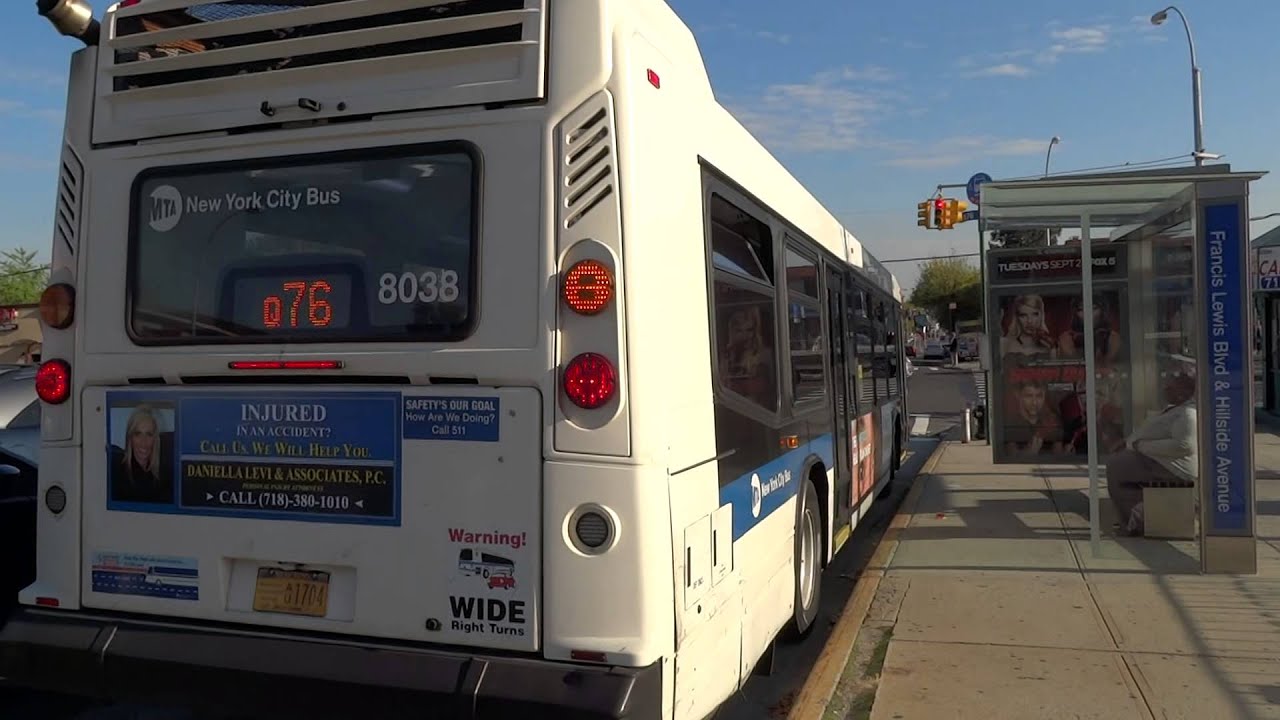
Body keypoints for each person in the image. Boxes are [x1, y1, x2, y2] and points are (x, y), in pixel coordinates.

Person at [1104, 372, 1197, 536]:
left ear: (1183, 391)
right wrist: (1127, 442)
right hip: (1157, 462)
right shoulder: (1175, 409)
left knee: (1118, 468)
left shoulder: (1188, 414)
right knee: (1118, 465)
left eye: (1170, 387)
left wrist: (1140, 446)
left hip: (1172, 469)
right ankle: (1133, 519)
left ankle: (1135, 523)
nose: (1165, 389)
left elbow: (1184, 446)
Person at [111, 405, 173, 505]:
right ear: (130, 438)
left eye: (149, 434)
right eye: (137, 434)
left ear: (155, 439)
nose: (143, 442)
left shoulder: (164, 474)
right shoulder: (116, 470)